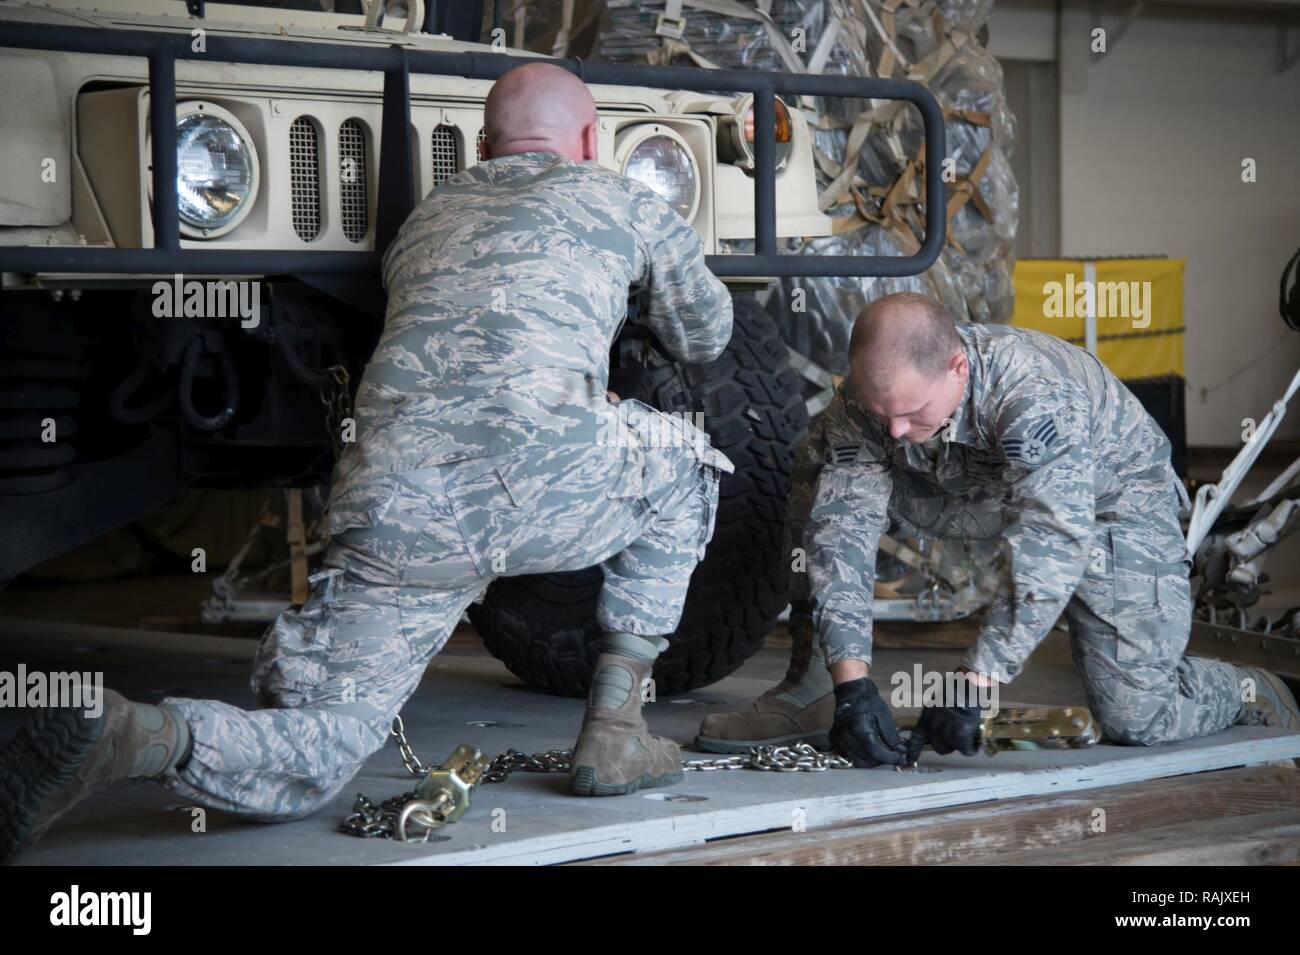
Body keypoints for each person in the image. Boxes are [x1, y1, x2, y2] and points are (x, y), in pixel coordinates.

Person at [1, 62, 734, 863]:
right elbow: (708, 334)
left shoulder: (428, 218)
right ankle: (617, 726)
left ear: (482, 147)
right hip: (547, 482)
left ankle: (138, 734)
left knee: (322, 750)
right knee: (692, 461)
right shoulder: (620, 196)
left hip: (392, 504)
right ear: (591, 141)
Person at [697, 292, 1297, 766]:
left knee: (1137, 718)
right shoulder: (868, 404)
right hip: (961, 487)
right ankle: (811, 688)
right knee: (819, 462)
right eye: (884, 414)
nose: (896, 430)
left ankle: (1253, 690)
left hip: (1110, 504)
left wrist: (975, 680)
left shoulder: (1032, 393)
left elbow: (1053, 543)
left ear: (958, 366)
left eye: (911, 411)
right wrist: (850, 680)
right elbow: (841, 533)